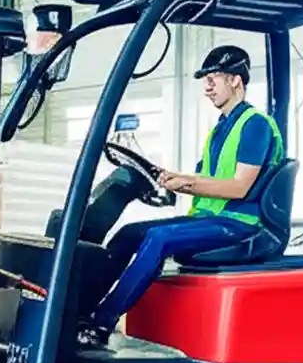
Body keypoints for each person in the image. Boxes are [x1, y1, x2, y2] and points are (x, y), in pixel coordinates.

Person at [80, 45, 283, 344]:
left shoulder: (254, 125)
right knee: (128, 233)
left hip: (242, 223)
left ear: (236, 80)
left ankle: (102, 323)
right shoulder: (221, 129)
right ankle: (80, 311)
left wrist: (185, 184)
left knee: (159, 239)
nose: (207, 87)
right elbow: (206, 178)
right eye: (205, 81)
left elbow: (240, 186)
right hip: (212, 218)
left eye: (213, 78)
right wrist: (169, 176)